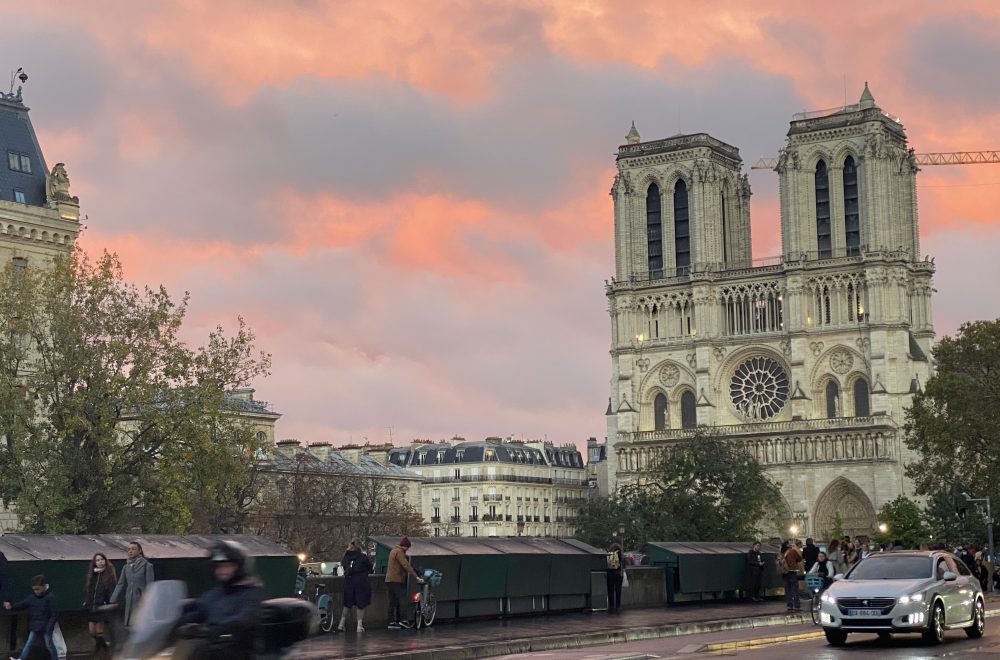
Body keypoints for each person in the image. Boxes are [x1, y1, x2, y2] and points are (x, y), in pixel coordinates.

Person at [177, 540, 264, 660]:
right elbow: (199, 609)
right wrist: (180, 616)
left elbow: (245, 619)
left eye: (227, 566)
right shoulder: (216, 593)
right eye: (219, 566)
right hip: (211, 651)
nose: (222, 570)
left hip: (239, 652)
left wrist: (212, 629)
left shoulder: (251, 593)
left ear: (239, 566)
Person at [4, 574, 58, 660]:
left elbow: (54, 614)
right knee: (30, 643)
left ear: (44, 587)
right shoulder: (32, 598)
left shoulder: (49, 598)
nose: (36, 591)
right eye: (34, 589)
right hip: (37, 626)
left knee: (49, 645)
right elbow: (22, 604)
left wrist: (49, 627)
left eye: (38, 589)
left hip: (43, 626)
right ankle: (21, 658)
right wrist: (12, 607)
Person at [111, 541, 154, 627]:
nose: (130, 551)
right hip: (129, 598)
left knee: (140, 624)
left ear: (139, 551)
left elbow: (150, 585)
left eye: (133, 549)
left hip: (141, 599)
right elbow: (120, 583)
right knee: (130, 624)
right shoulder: (126, 567)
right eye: (129, 549)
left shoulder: (147, 566)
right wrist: (113, 599)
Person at [385, 537, 423, 629]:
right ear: (405, 546)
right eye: (408, 548)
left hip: (389, 580)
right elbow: (405, 564)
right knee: (403, 599)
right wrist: (416, 576)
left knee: (392, 601)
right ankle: (403, 620)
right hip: (396, 580)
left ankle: (391, 622)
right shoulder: (399, 552)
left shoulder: (393, 551)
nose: (408, 550)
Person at [83, 552, 117, 654]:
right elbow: (89, 590)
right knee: (92, 632)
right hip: (91, 606)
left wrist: (109, 602)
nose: (100, 562)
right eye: (97, 560)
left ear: (105, 560)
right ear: (94, 562)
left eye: (102, 559)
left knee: (99, 631)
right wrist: (87, 601)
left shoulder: (108, 575)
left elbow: (111, 591)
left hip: (101, 606)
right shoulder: (92, 575)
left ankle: (100, 651)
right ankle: (104, 646)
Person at [338, 539, 372, 632]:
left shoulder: (345, 557)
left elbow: (344, 568)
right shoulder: (363, 557)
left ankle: (341, 624)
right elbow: (370, 567)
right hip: (361, 582)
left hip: (349, 582)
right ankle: (359, 625)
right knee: (361, 604)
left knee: (347, 604)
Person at [783, 540, 803, 611]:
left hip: (784, 572)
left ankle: (789, 605)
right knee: (794, 589)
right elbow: (799, 558)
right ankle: (796, 606)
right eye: (791, 543)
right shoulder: (793, 551)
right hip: (792, 571)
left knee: (787, 589)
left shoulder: (782, 552)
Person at [606, 542, 624, 613]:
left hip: (610, 574)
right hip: (619, 574)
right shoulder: (621, 555)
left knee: (610, 591)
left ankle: (611, 606)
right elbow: (624, 564)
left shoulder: (609, 554)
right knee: (618, 590)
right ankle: (618, 606)